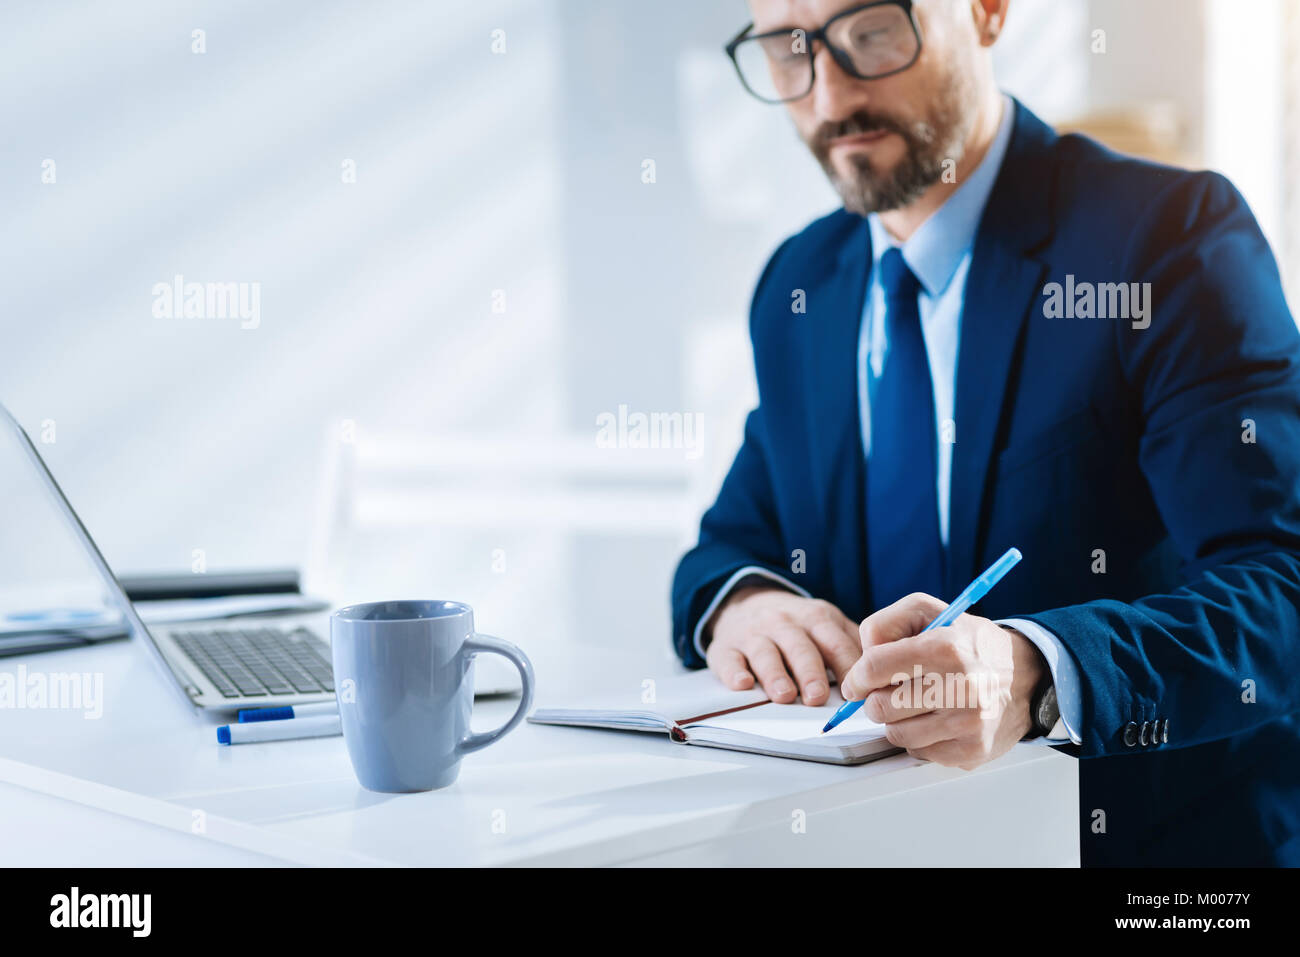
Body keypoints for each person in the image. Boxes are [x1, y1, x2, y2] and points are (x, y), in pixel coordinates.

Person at [671, 0, 1300, 866]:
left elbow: (1280, 587)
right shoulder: (800, 285)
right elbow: (731, 542)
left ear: (990, 13)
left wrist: (1040, 673)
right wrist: (748, 604)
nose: (829, 96)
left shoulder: (1166, 242)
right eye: (789, 47)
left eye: (874, 31)